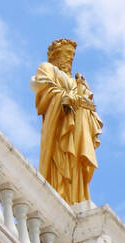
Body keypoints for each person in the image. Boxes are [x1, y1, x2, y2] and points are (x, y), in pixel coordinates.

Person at [31, 38, 102, 205]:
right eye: (67, 54)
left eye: (72, 55)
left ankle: (76, 197)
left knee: (75, 163)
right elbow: (44, 88)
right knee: (60, 161)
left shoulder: (74, 81)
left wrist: (82, 88)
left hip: (77, 128)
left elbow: (87, 105)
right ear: (56, 55)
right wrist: (64, 97)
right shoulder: (47, 68)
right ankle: (60, 194)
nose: (70, 58)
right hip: (59, 126)